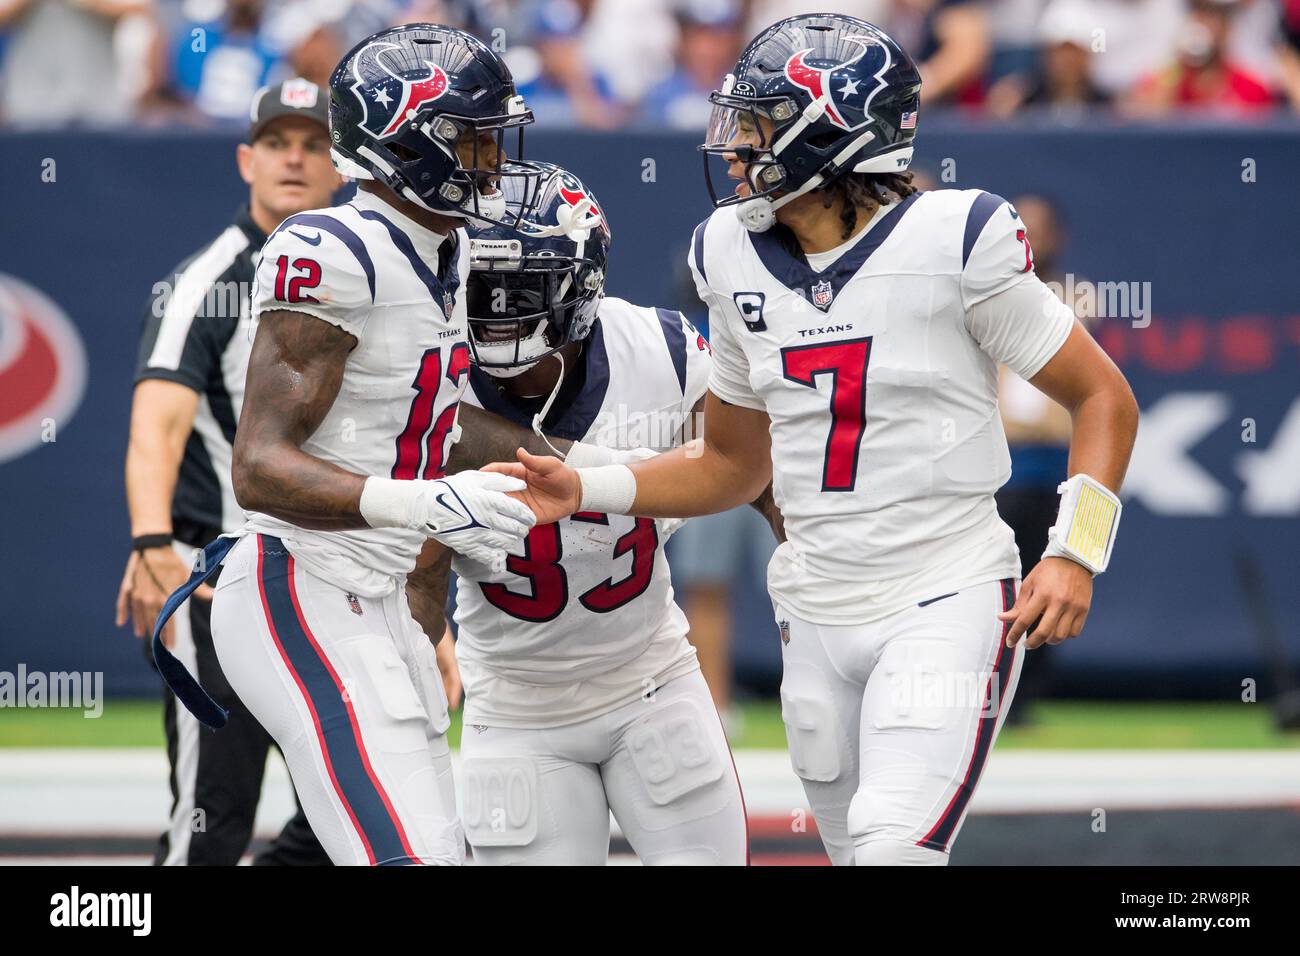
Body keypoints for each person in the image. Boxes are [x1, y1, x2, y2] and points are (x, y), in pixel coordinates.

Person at [489, 13, 1139, 866]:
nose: (731, 147)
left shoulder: (957, 236)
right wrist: (590, 485)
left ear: (830, 132)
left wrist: (1074, 552)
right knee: (854, 851)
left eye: (756, 126)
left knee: (892, 846)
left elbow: (1102, 397)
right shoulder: (729, 250)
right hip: (813, 608)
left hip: (944, 589)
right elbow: (730, 463)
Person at [156, 23, 555, 867]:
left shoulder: (442, 251)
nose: (491, 160)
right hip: (299, 585)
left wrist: (589, 471)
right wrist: (424, 502)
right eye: (473, 139)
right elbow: (259, 467)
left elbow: (434, 422)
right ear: (411, 144)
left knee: (435, 851)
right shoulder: (333, 248)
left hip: (378, 599)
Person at [427, 161, 761, 865]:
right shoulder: (431, 371)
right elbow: (408, 556)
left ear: (580, 284)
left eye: (521, 288)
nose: (495, 306)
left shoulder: (664, 353)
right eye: (481, 284)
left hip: (651, 682)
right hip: (516, 707)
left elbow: (758, 476)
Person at [117, 79, 339, 866]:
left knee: (357, 812)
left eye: (314, 144)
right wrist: (150, 545)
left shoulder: (362, 275)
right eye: (278, 143)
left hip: (329, 581)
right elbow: (158, 425)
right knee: (214, 817)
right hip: (218, 580)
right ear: (246, 159)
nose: (295, 159)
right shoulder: (208, 280)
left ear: (341, 162)